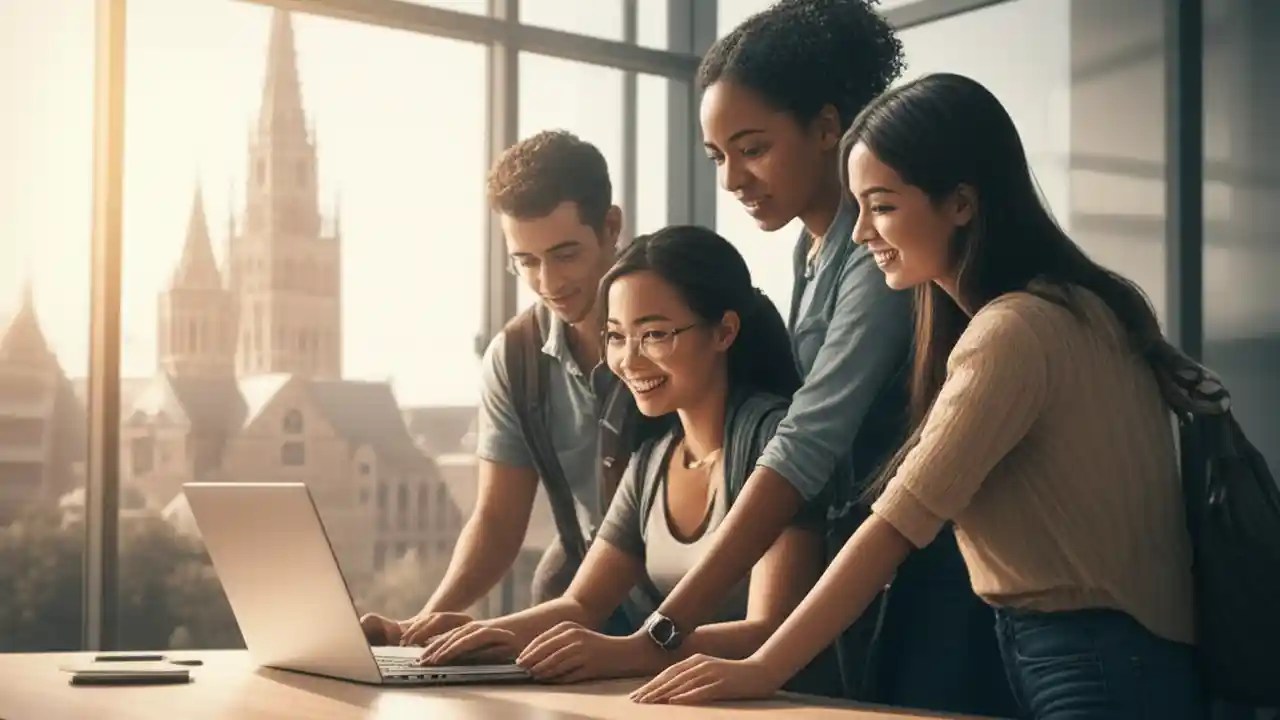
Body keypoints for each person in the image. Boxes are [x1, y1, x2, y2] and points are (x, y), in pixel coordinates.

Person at [632, 72, 1207, 719]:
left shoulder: (1013, 331)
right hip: (1115, 651)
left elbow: (896, 523)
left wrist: (763, 666)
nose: (859, 235)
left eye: (880, 206)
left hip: (1090, 662)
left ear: (960, 203)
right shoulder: (1087, 306)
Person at [633, 0, 1012, 712]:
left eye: (752, 148)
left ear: (828, 129)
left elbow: (808, 443)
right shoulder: (815, 253)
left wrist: (660, 631)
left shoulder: (881, 263)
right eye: (717, 157)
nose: (731, 180)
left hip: (941, 573)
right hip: (875, 572)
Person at [413, 226, 831, 688]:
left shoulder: (773, 442)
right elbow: (581, 605)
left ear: (724, 331)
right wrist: (470, 634)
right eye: (615, 336)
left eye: (653, 334)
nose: (629, 360)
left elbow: (768, 631)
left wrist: (630, 651)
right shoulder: (652, 460)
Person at [361, 130, 628, 646]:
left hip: (694, 587)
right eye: (525, 260)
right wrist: (419, 627)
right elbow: (498, 520)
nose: (548, 281)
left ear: (610, 227)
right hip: (586, 592)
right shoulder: (515, 357)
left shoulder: (678, 326)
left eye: (565, 254)